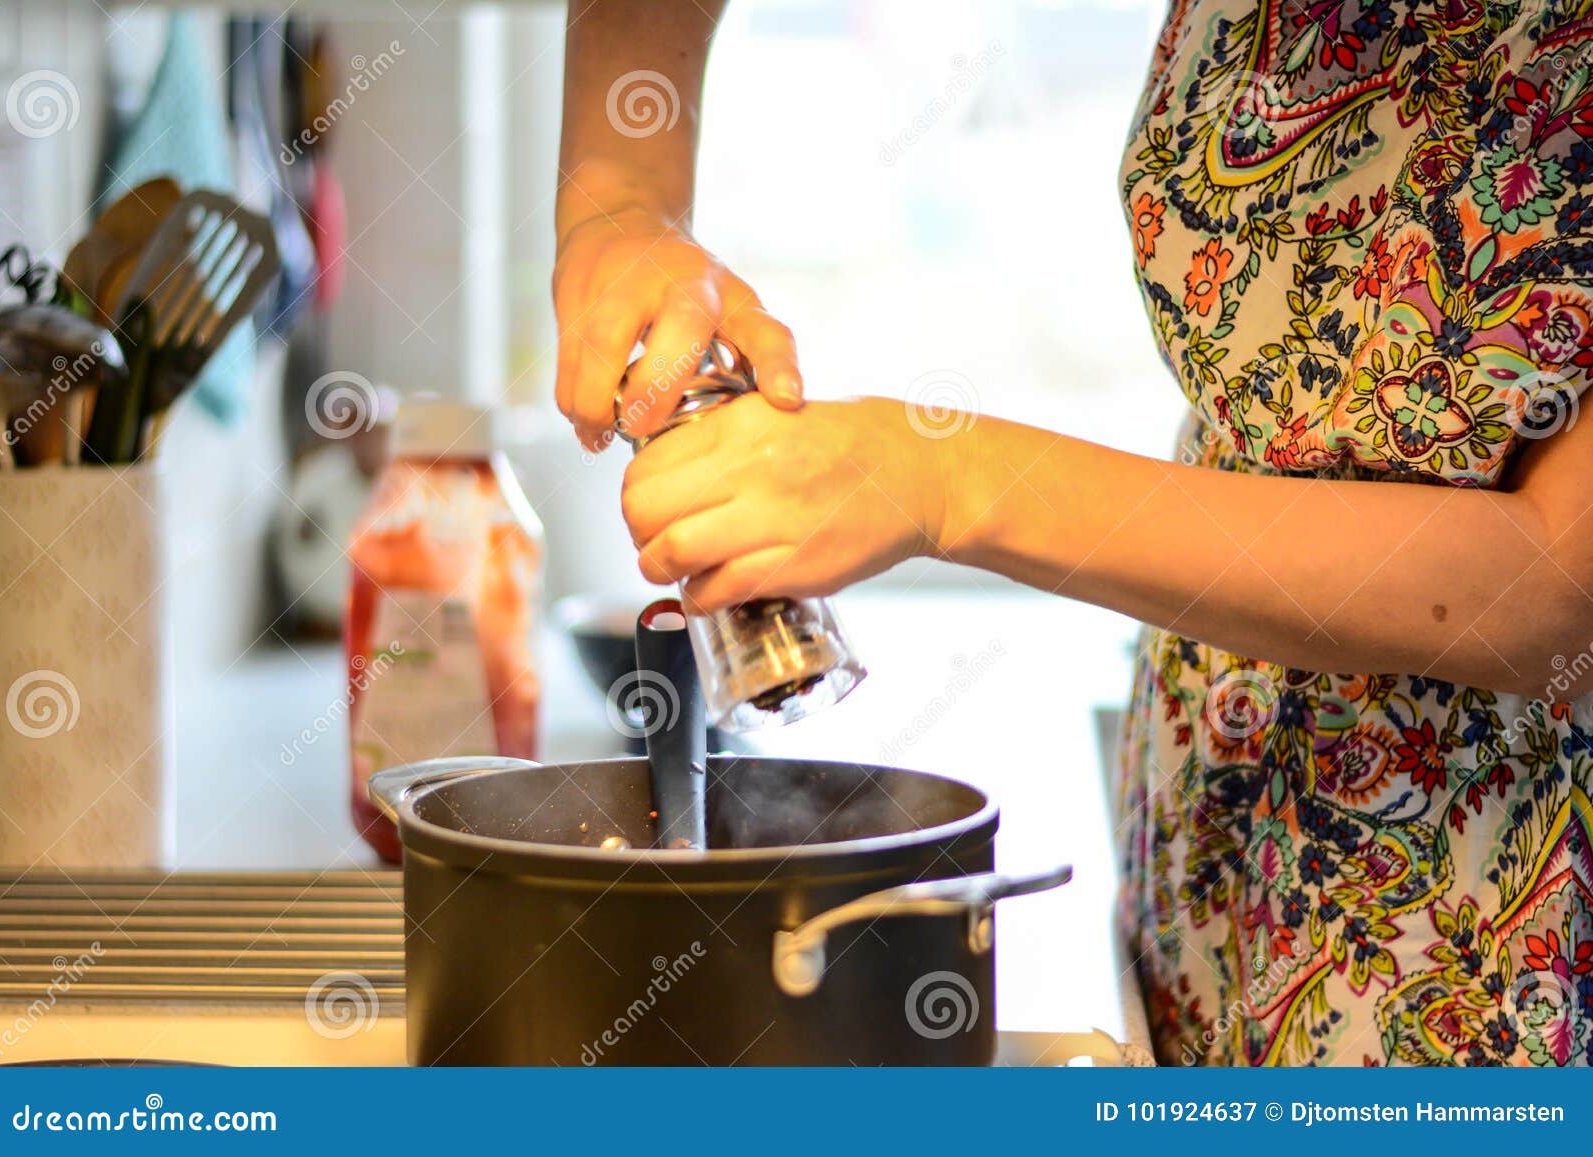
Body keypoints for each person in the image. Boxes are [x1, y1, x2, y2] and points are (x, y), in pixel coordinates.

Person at [553, 0, 1593, 1066]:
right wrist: (621, 204)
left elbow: (1559, 593)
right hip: (1211, 847)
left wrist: (943, 479)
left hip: (1488, 940)